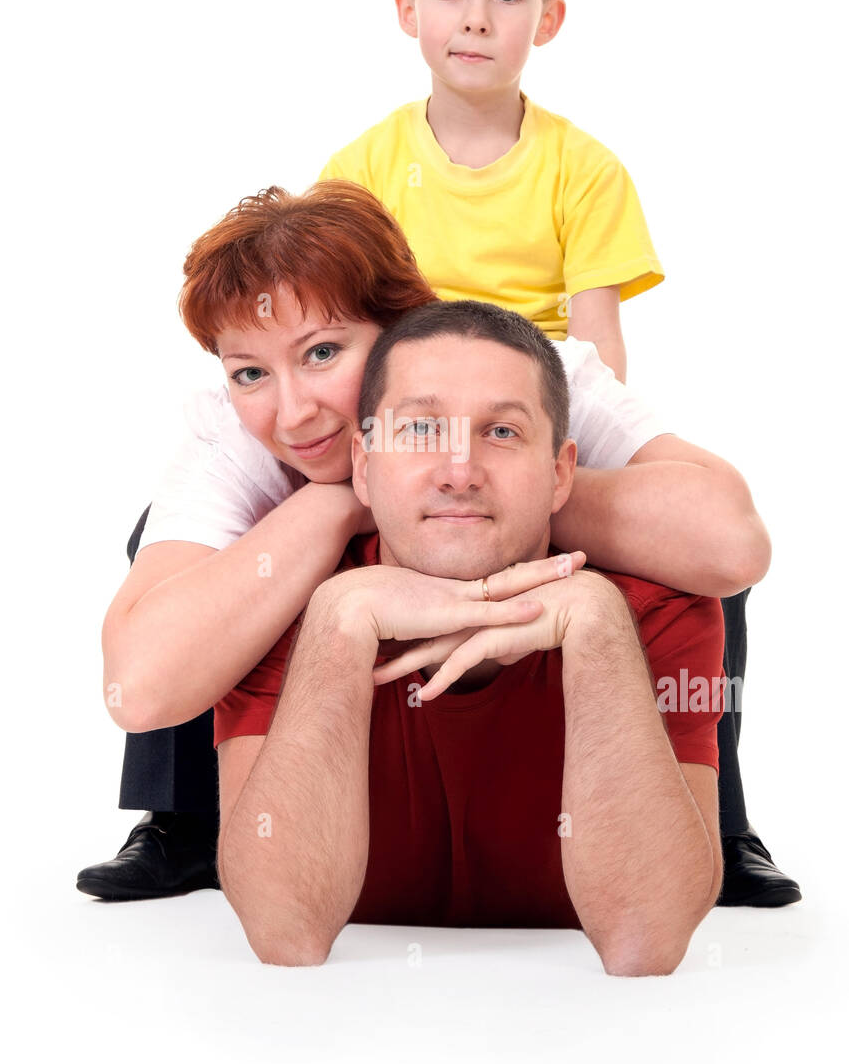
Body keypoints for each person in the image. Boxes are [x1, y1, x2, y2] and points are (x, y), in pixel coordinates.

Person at [80, 183, 783, 904]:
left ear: (403, 325)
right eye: (250, 373)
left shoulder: (523, 370)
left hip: (531, 588)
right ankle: (186, 821)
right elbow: (135, 688)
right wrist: (339, 506)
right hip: (338, 642)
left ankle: (718, 823)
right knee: (181, 554)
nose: (294, 414)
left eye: (322, 353)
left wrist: (503, 491)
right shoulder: (233, 439)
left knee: (678, 560)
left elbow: (731, 545)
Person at [315, 0, 797, 906]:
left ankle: (721, 814)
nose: (476, 18)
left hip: (538, 403)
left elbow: (596, 343)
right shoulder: (360, 169)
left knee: (707, 559)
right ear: (407, 11)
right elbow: (341, 332)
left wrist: (541, 459)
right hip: (407, 411)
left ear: (548, 18)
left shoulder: (583, 168)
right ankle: (176, 815)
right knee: (176, 537)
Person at [212, 299, 727, 973]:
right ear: (363, 467)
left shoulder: (656, 609)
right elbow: (286, 934)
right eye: (420, 429)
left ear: (561, 473)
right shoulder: (280, 605)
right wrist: (340, 618)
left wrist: (597, 624)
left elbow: (647, 943)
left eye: (503, 433)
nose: (459, 471)